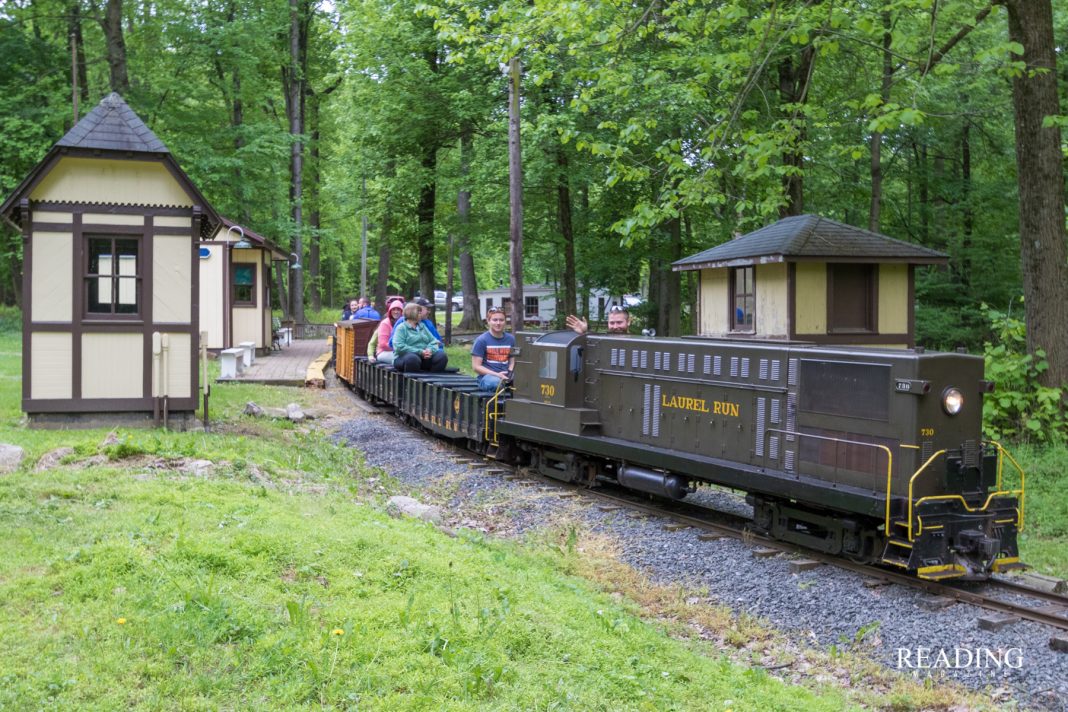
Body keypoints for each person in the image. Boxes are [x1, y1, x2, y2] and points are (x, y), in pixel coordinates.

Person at [392, 302, 448, 373]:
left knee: (441, 356)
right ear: (412, 314)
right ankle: (411, 379)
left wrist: (429, 350)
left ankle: (433, 377)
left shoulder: (422, 326)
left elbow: (434, 341)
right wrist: (420, 352)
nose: (421, 315)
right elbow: (399, 347)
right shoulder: (401, 328)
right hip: (404, 358)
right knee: (412, 358)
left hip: (423, 357)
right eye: (419, 313)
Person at [471, 306, 515, 392]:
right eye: (495, 320)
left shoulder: (511, 339)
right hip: (487, 378)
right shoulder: (481, 340)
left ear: (505, 321)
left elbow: (512, 361)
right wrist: (497, 375)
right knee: (496, 383)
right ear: (488, 321)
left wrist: (510, 374)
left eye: (501, 320)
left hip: (506, 376)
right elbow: (476, 367)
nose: (498, 323)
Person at [369, 297, 405, 365]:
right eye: (393, 309)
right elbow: (382, 344)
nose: (396, 312)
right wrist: (370, 355)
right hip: (384, 352)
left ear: (402, 311)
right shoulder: (385, 323)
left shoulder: (404, 322)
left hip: (400, 350)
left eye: (398, 309)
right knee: (404, 359)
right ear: (390, 311)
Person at [566, 305, 631, 335]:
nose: (615, 327)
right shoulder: (602, 341)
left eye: (619, 322)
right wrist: (584, 333)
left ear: (628, 322)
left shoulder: (636, 342)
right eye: (612, 323)